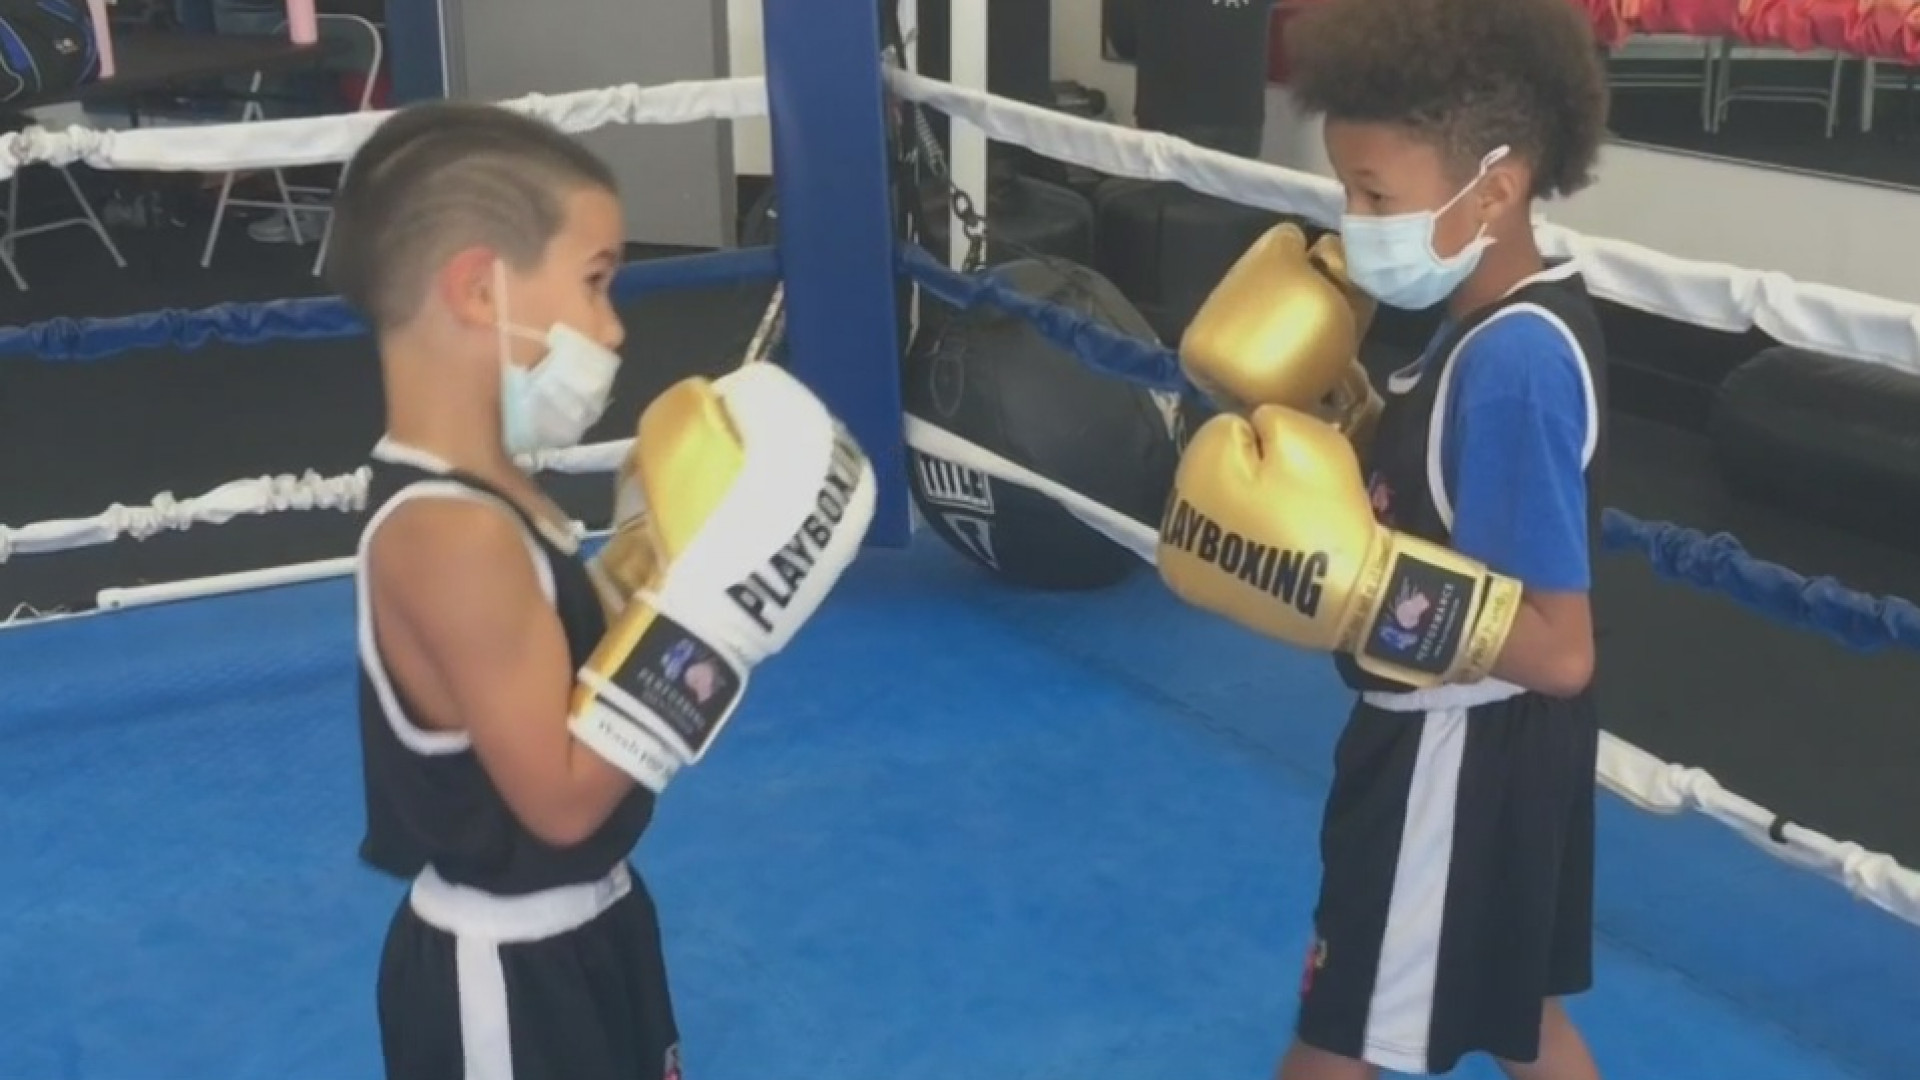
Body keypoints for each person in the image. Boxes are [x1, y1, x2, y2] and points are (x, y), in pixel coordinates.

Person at [331, 101, 876, 1080]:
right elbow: (563, 804)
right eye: (595, 281)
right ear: (477, 288)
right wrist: (718, 618)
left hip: (596, 924)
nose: (613, 324)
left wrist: (642, 567)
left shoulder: (500, 490)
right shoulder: (448, 535)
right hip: (503, 973)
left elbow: (551, 676)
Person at [1157, 0, 1612, 1076]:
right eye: (1345, 188)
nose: (1353, 220)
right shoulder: (1490, 325)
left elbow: (1559, 648)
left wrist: (1366, 583)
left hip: (1453, 756)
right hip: (1491, 757)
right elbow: (1459, 513)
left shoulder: (1515, 367)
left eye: (1373, 194)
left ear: (1491, 191)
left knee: (1339, 1038)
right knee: (1522, 1023)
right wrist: (1350, 420)